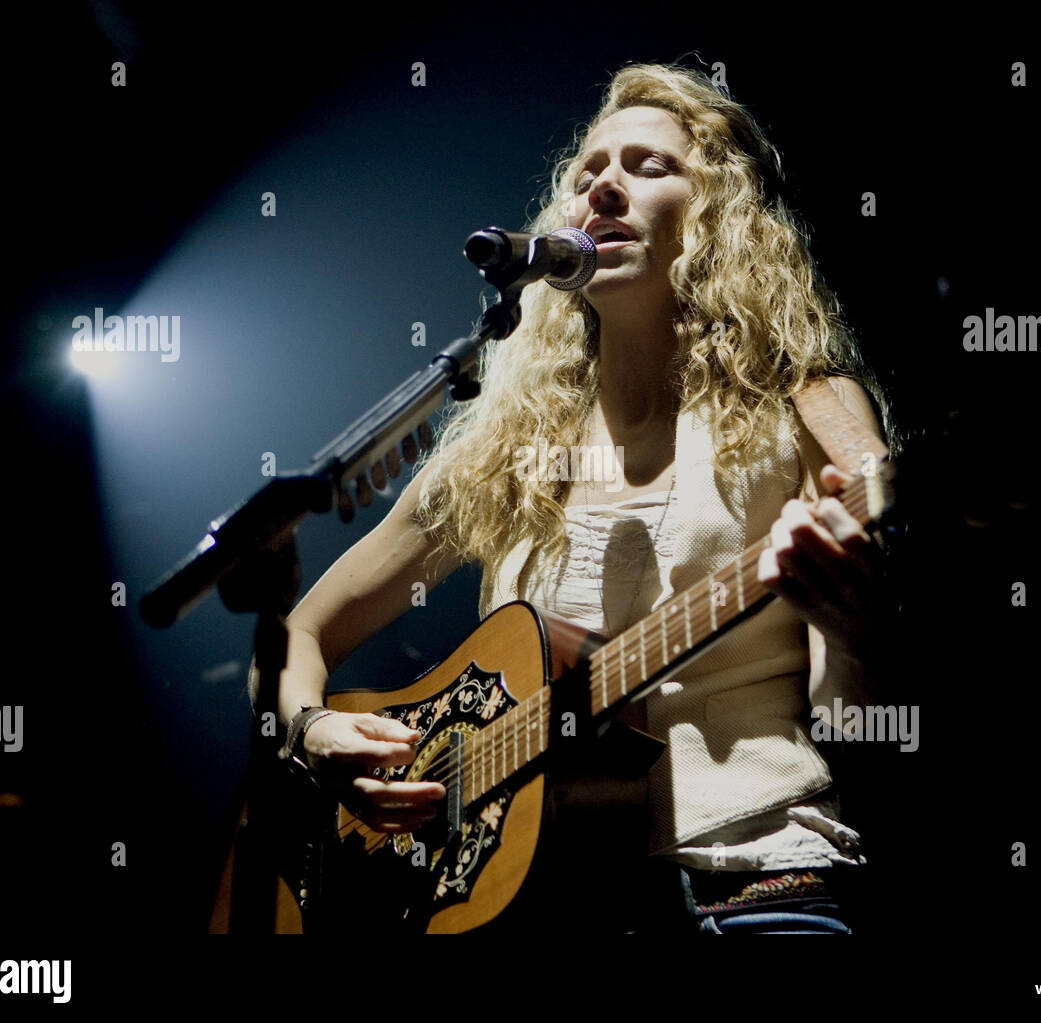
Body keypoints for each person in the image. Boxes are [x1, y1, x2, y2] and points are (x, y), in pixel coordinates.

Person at [259, 63, 899, 934]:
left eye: (648, 165)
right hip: (530, 904)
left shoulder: (808, 406)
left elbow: (854, 724)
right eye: (588, 170)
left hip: (750, 878)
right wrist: (313, 734)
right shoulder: (509, 441)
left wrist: (856, 624)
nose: (603, 183)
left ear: (719, 216)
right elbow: (293, 634)